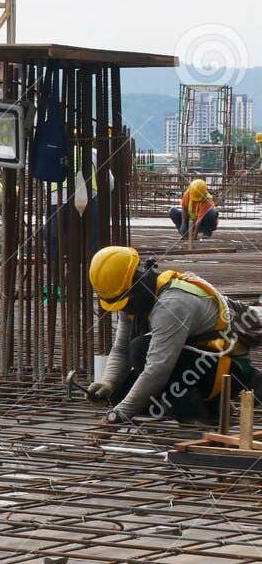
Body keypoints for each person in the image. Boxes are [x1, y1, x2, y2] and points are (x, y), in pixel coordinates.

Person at [85, 245, 251, 425]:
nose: (124, 308)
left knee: (140, 350)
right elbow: (120, 349)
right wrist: (108, 383)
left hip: (226, 370)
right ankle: (212, 405)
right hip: (197, 362)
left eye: (125, 302)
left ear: (138, 283)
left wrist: (119, 414)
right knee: (119, 394)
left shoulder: (172, 303)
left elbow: (157, 370)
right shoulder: (131, 298)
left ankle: (199, 416)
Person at [170, 178, 218, 243]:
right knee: (173, 211)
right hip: (190, 221)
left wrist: (194, 237)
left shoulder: (207, 200)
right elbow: (184, 208)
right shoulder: (188, 193)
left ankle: (206, 233)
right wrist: (183, 224)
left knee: (212, 213)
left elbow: (199, 220)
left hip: (202, 223)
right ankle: (185, 234)